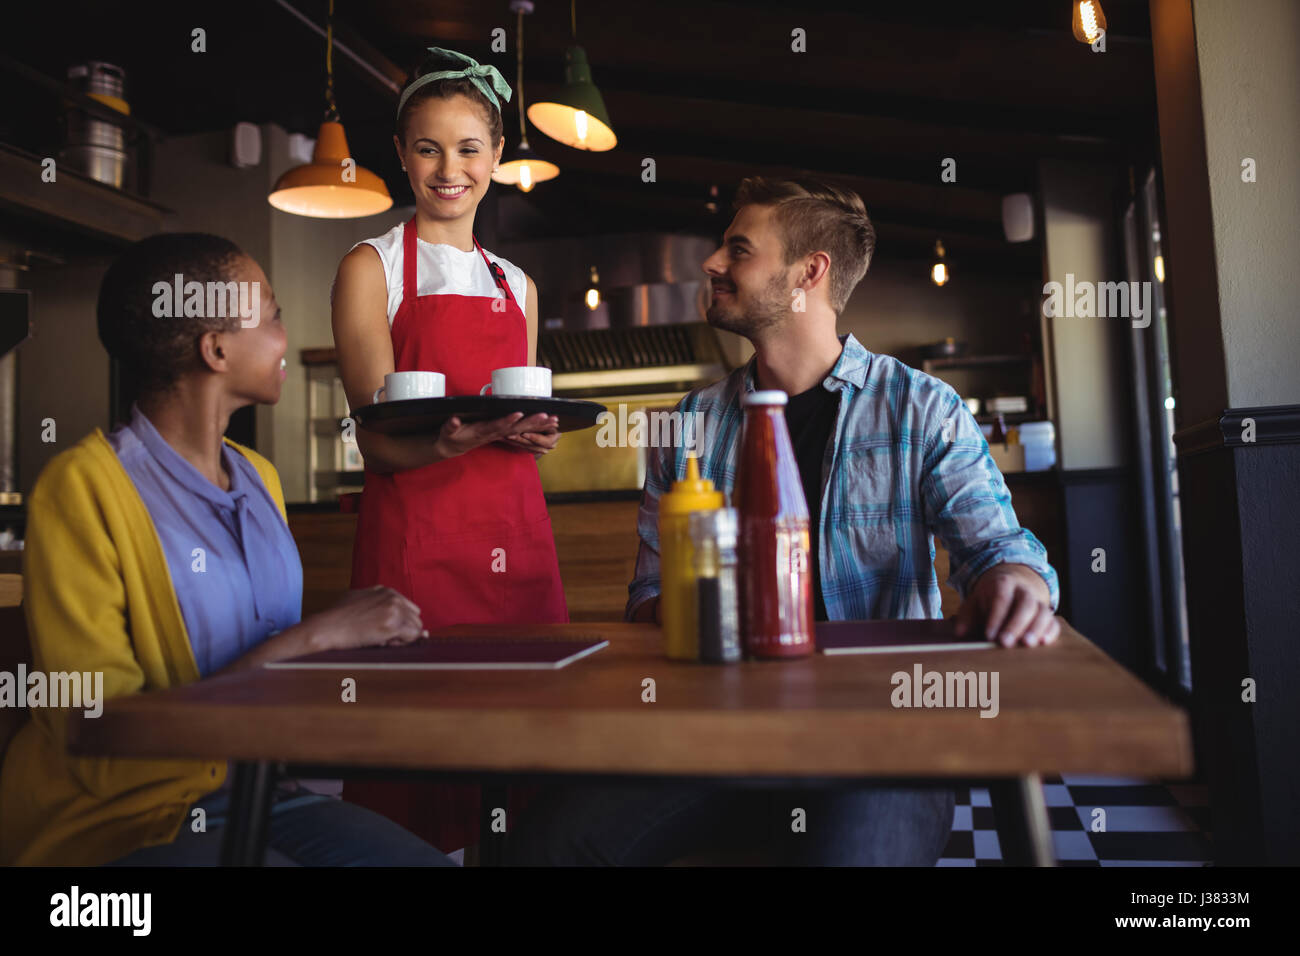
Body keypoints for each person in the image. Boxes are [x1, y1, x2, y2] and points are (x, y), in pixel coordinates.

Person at [505, 177, 1061, 866]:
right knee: (543, 844)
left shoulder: (922, 408)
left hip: (883, 736)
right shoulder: (687, 425)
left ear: (809, 273)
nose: (710, 263)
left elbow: (1000, 552)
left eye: (738, 250)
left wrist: (1015, 584)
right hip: (718, 734)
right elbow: (648, 599)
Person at [0, 233, 454, 866]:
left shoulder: (259, 476)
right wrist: (314, 637)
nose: (284, 337)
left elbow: (277, 669)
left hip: (265, 792)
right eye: (271, 316)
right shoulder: (80, 488)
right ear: (215, 349)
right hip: (126, 820)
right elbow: (98, 730)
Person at [331, 47, 566, 853]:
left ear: (497, 157)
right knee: (417, 758)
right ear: (400, 153)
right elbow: (373, 434)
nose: (448, 169)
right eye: (427, 147)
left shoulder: (517, 283)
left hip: (517, 542)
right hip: (417, 545)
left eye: (469, 148)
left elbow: (522, 417)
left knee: (525, 756)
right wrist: (448, 440)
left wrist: (530, 433)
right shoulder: (370, 268)